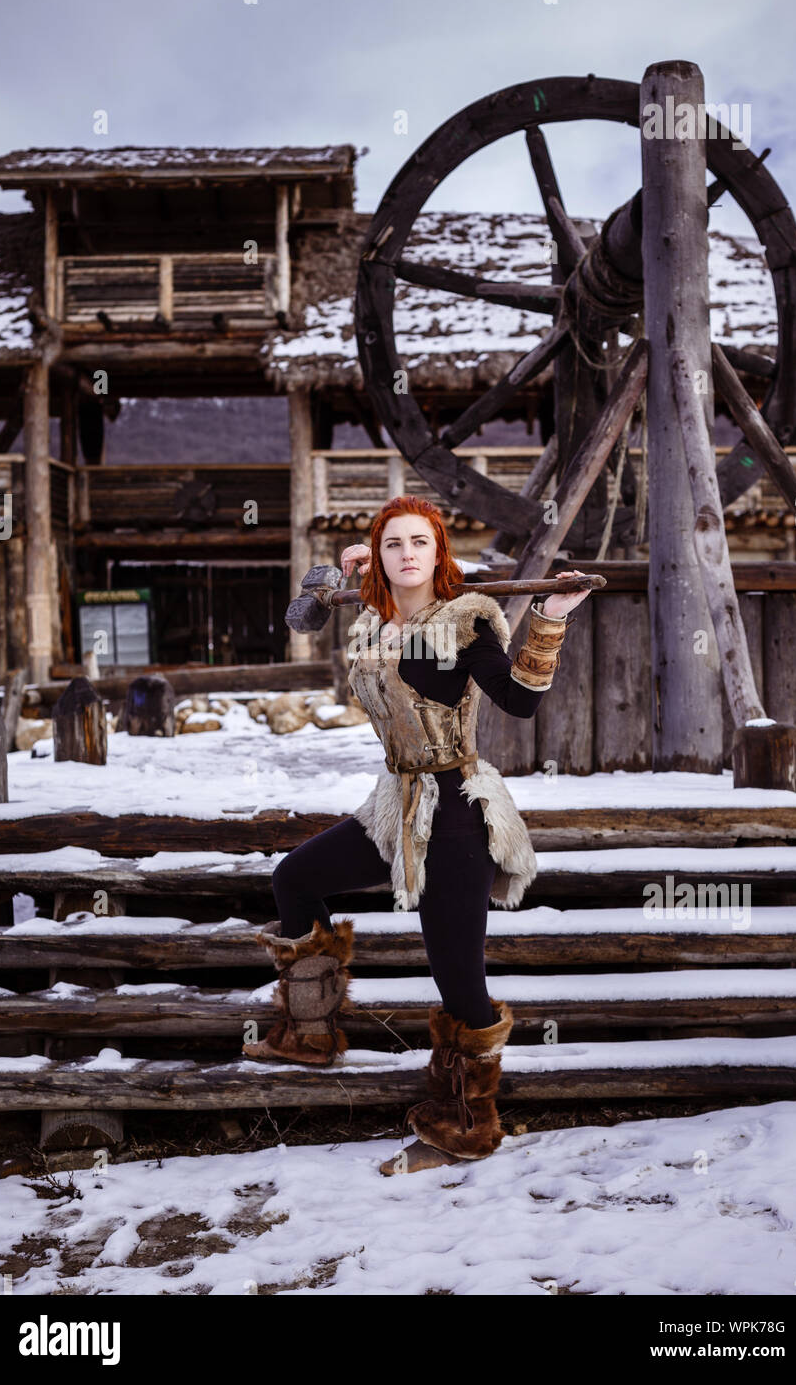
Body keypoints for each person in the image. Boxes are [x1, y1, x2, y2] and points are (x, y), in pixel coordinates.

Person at [243, 495, 591, 1175]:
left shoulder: (463, 623)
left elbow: (518, 700)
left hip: (456, 809)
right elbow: (336, 619)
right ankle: (311, 1031)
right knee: (294, 878)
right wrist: (357, 575)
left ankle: (466, 1124)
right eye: (393, 543)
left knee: (457, 976)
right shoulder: (372, 619)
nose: (407, 553)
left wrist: (549, 620)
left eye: (419, 544)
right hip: (396, 801)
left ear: (439, 555)